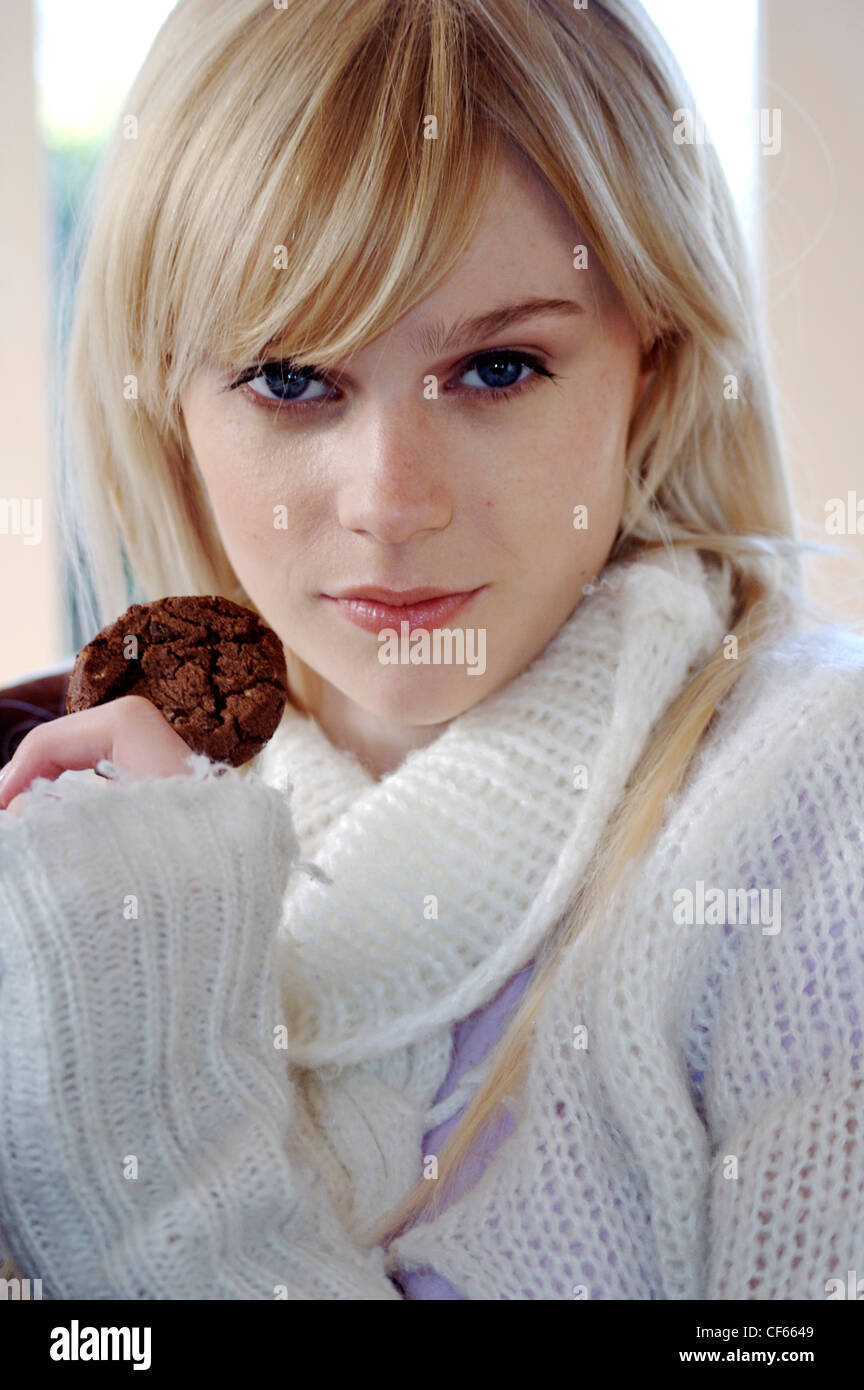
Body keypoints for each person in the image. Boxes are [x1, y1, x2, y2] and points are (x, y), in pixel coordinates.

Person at [0, 0, 862, 1301]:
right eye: (293, 379)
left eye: (500, 367)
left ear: (657, 371)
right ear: (168, 406)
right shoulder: (67, 835)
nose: (393, 501)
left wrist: (144, 1161)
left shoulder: (817, 808)